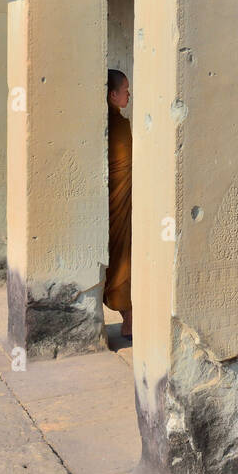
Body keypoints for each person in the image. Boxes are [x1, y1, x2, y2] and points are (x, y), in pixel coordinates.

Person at [106, 69, 132, 341]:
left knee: (120, 255)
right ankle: (129, 321)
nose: (129, 95)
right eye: (125, 91)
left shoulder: (111, 124)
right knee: (124, 255)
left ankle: (129, 318)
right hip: (121, 200)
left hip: (117, 200)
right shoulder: (119, 127)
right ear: (113, 95)